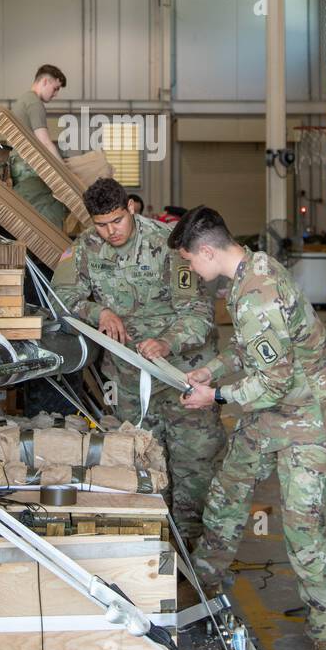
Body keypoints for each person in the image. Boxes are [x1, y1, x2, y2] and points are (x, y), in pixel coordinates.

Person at [167, 205, 326, 650]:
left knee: (302, 529)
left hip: (310, 414)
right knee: (227, 490)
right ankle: (204, 581)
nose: (191, 271)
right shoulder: (249, 273)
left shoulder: (257, 293)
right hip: (274, 407)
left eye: (191, 261)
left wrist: (217, 395)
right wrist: (213, 368)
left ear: (208, 251)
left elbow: (272, 380)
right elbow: (254, 351)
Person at [51, 178, 226, 543]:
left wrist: (166, 341)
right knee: (142, 469)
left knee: (194, 471)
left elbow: (197, 311)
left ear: (130, 207)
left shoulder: (169, 245)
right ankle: (154, 557)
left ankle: (196, 562)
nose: (110, 231)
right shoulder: (85, 248)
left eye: (117, 220)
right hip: (130, 383)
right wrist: (97, 311)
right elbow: (59, 298)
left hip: (183, 375)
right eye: (101, 224)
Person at [9, 65, 68, 229]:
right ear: (45, 81)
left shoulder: (23, 100)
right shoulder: (34, 103)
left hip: (18, 164)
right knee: (55, 202)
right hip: (26, 167)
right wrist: (64, 172)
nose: (55, 94)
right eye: (55, 88)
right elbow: (45, 142)